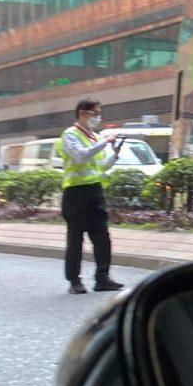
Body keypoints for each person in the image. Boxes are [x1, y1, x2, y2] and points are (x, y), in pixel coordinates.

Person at [56, 99, 125, 294]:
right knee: (75, 239)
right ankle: (74, 281)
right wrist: (106, 142)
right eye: (95, 113)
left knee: (102, 237)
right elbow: (80, 156)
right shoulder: (70, 135)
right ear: (82, 113)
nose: (98, 118)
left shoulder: (94, 137)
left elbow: (101, 167)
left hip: (95, 192)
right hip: (75, 194)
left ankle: (102, 278)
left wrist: (115, 154)